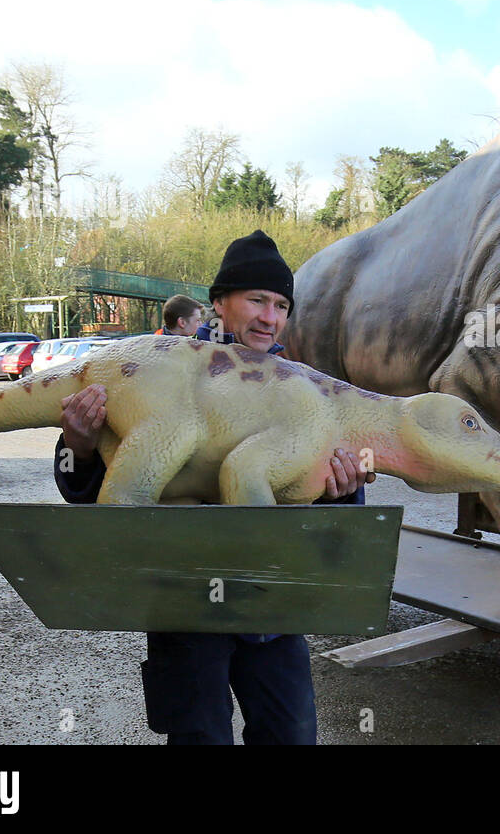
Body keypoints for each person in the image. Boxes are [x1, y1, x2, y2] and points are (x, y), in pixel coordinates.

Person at [54, 229, 370, 744]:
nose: (270, 317)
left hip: (273, 607)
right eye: (257, 300)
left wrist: (342, 489)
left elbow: (341, 513)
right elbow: (80, 490)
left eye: (282, 304)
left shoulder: (307, 387)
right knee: (198, 735)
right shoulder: (161, 370)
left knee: (290, 734)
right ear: (220, 303)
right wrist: (82, 445)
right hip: (184, 604)